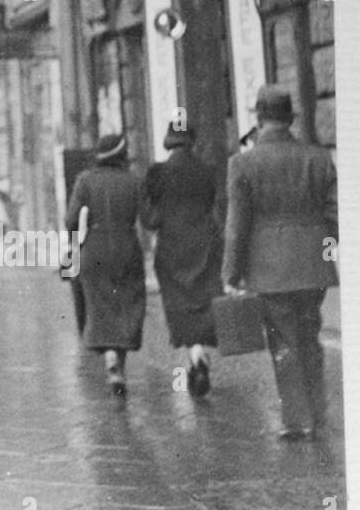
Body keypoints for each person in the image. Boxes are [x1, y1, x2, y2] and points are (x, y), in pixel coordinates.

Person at [221, 86, 338, 440]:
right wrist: (323, 245)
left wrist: (231, 272)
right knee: (309, 336)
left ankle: (298, 418)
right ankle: (316, 412)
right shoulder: (318, 158)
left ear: (259, 118)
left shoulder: (242, 163)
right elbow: (336, 213)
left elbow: (236, 227)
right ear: (290, 118)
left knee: (284, 342)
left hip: (269, 269)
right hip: (312, 264)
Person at [140, 120, 223, 397]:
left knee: (180, 305)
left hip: (171, 249)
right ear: (192, 140)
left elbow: (149, 220)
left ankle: (196, 356)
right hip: (205, 246)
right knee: (203, 301)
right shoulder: (207, 171)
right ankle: (199, 355)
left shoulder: (156, 174)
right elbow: (213, 205)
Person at [65, 133, 145, 396]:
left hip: (94, 249)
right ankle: (119, 363)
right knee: (126, 304)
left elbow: (71, 220)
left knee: (100, 307)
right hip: (126, 246)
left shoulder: (85, 180)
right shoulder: (133, 181)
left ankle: (109, 357)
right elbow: (147, 216)